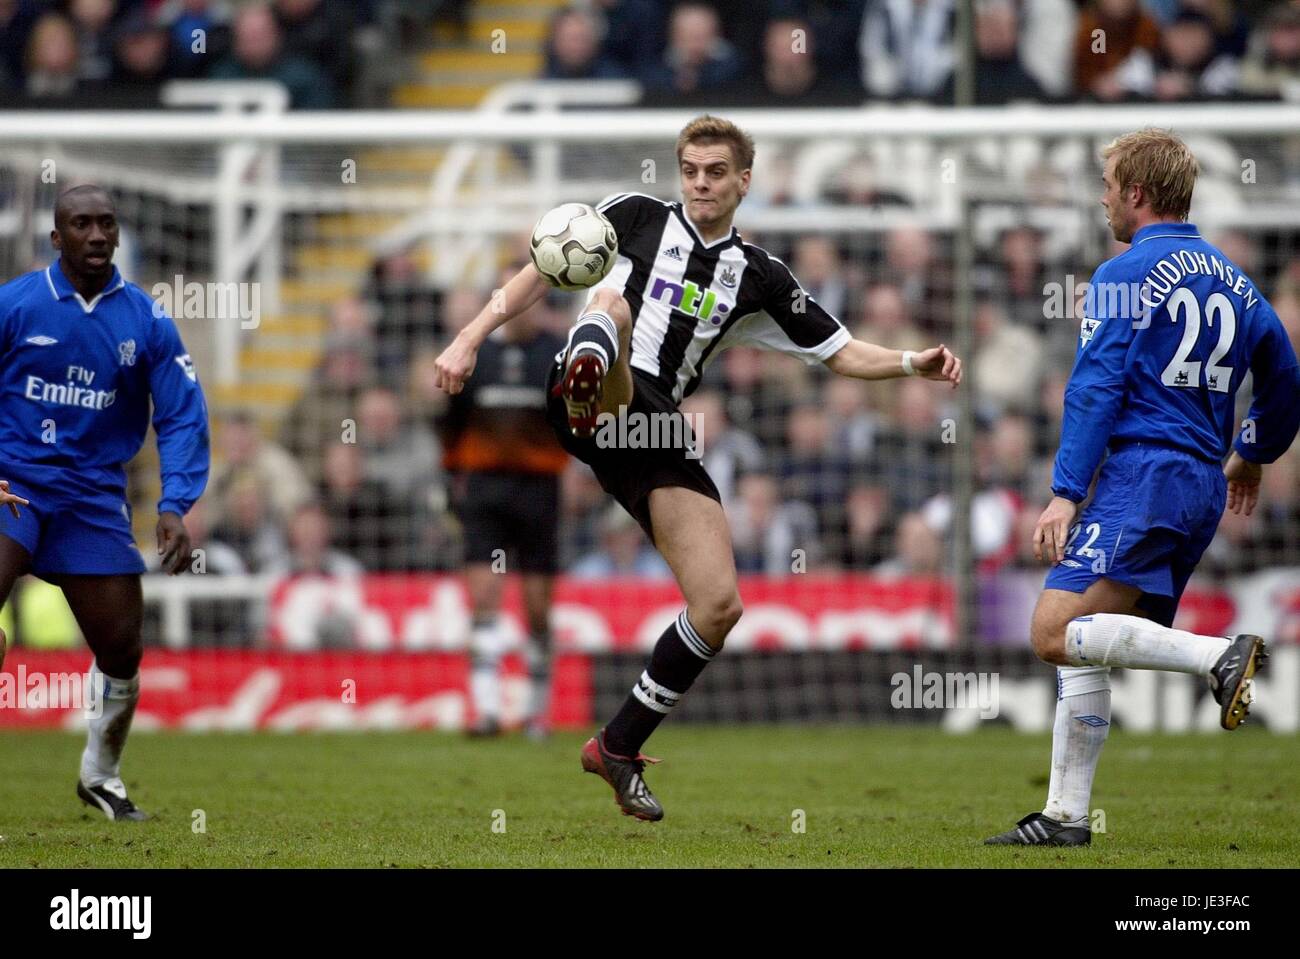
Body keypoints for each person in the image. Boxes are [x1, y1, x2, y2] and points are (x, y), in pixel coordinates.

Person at [434, 115, 961, 821]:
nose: (701, 182)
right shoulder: (633, 216)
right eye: (690, 169)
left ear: (744, 179)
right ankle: (590, 361)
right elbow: (536, 273)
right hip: (594, 394)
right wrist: (468, 339)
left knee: (718, 603)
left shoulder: (761, 276)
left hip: (650, 433)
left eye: (715, 172)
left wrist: (908, 361)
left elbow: (836, 350)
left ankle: (617, 747)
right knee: (611, 303)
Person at [985, 130, 1300, 847]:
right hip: (1200, 485)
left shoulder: (1125, 273)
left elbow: (1095, 384)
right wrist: (1252, 451)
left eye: (1108, 186)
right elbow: (1286, 378)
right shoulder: (1236, 278)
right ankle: (1066, 815)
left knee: (1051, 630)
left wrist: (1066, 490)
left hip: (1145, 475)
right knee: (1088, 638)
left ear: (1135, 193)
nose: (1101, 199)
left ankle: (1215, 656)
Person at [0, 184, 210, 820]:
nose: (96, 235)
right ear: (56, 237)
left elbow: (180, 416)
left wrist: (174, 502)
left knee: (122, 647)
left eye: (106, 224)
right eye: (81, 224)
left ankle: (101, 774)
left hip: (93, 497)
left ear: (119, 235)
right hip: (13, 485)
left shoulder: (146, 320)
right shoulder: (15, 305)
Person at [437, 279, 568, 738]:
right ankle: (487, 712)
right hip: (485, 491)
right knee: (484, 600)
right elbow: (450, 424)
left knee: (537, 608)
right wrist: (448, 480)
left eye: (532, 300)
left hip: (540, 490)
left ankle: (536, 713)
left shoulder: (560, 355)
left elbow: (579, 423)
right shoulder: (476, 355)